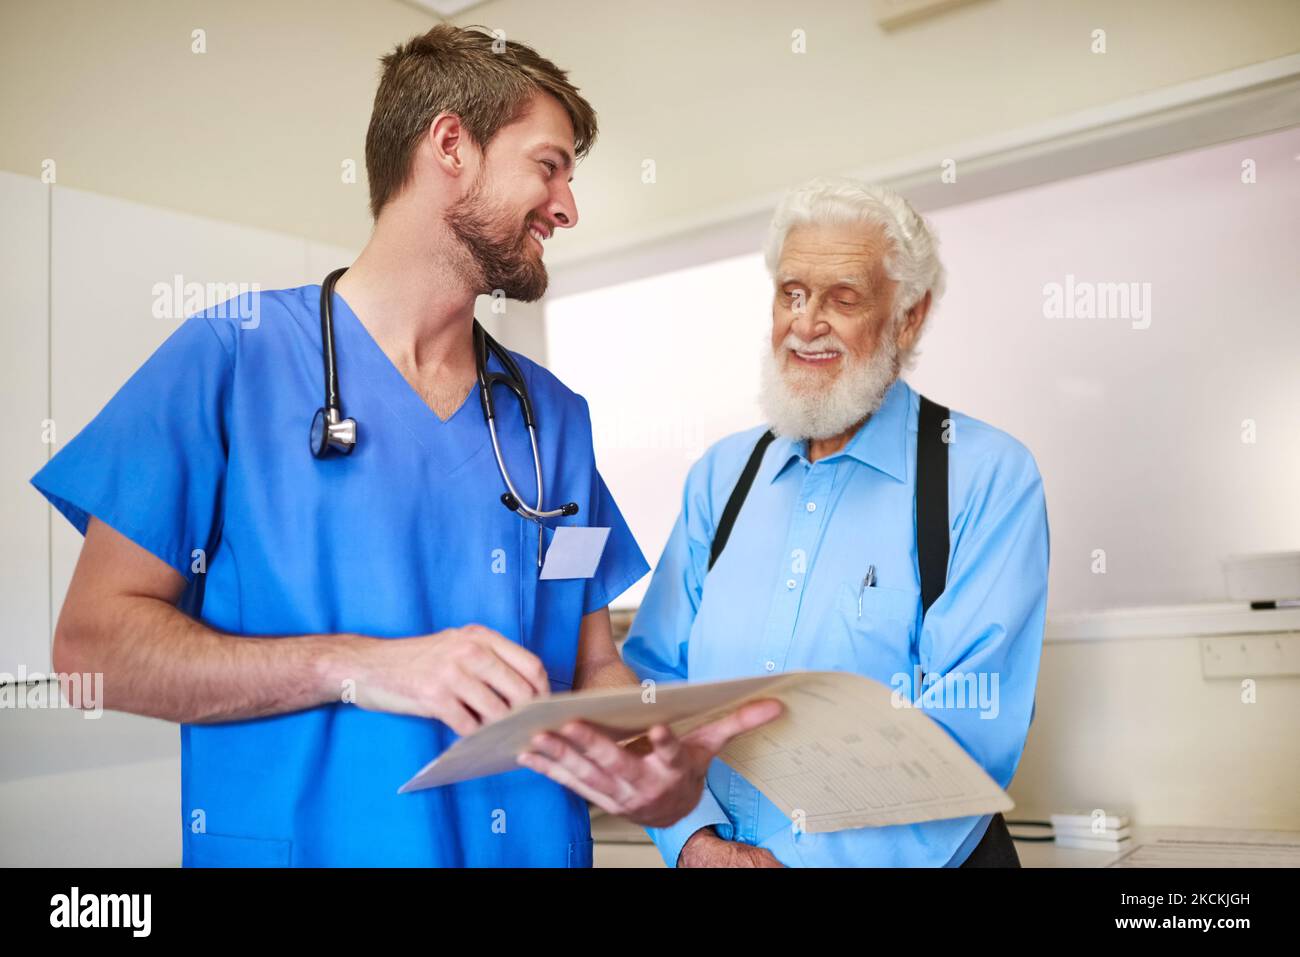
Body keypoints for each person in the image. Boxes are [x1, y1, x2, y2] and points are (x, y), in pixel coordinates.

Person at [32, 24, 778, 868]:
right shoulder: (231, 358)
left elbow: (590, 661)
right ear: (450, 145)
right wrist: (358, 666)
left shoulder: (553, 417)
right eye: (549, 165)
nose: (568, 206)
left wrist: (653, 766)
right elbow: (92, 649)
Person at [621, 177, 1050, 867]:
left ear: (909, 317)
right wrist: (694, 839)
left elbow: (970, 731)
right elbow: (651, 684)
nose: (807, 323)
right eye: (791, 292)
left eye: (842, 298)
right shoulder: (719, 478)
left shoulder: (985, 475)